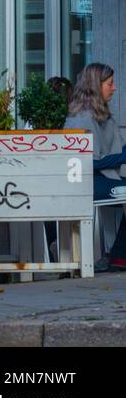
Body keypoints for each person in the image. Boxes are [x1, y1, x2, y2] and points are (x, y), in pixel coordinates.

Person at [64, 63, 126, 271]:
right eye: (110, 84)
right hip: (85, 182)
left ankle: (117, 254)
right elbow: (87, 162)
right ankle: (118, 255)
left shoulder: (103, 115)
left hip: (103, 178)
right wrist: (122, 157)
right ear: (96, 86)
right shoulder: (80, 119)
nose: (114, 88)